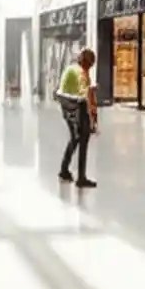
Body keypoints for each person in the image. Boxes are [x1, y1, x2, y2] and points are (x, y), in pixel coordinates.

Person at [55, 49, 98, 188]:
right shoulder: (81, 73)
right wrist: (92, 119)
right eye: (90, 64)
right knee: (83, 138)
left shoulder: (71, 68)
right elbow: (85, 97)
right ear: (86, 62)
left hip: (65, 105)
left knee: (75, 138)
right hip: (76, 106)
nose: (90, 67)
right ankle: (81, 178)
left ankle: (64, 170)